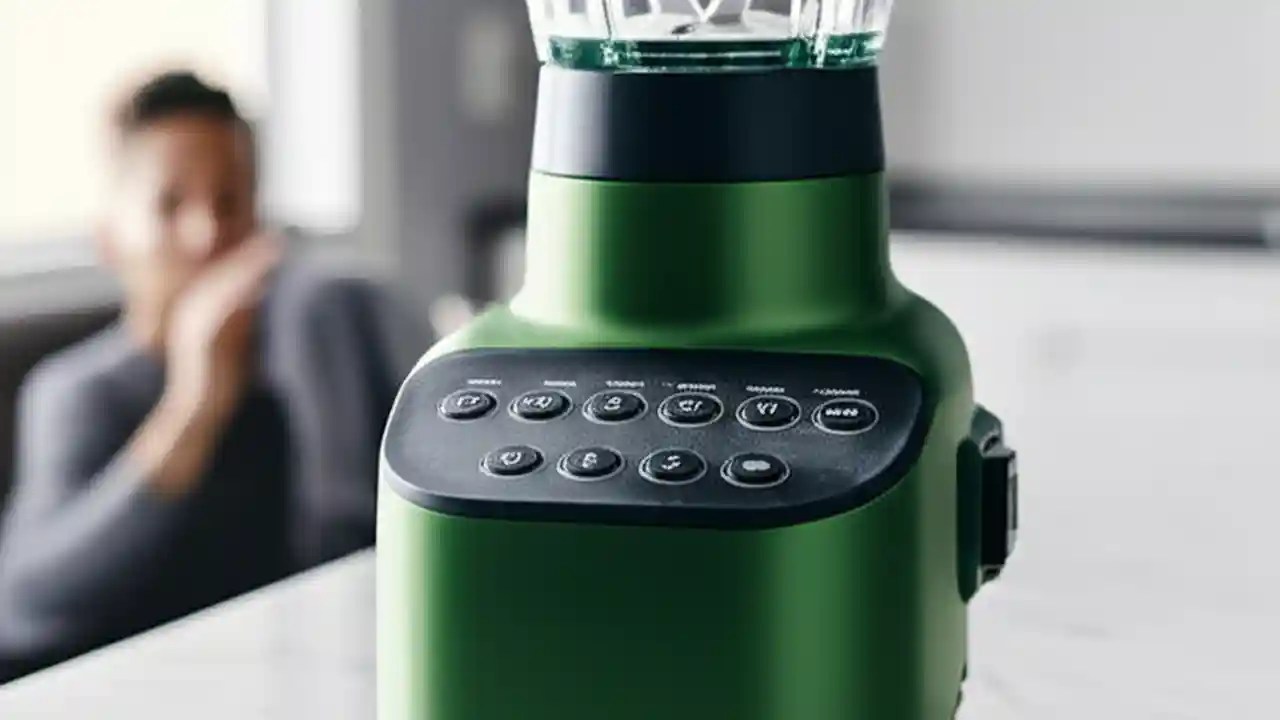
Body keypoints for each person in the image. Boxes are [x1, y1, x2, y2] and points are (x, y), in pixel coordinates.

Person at [0, 72, 411, 680]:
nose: (208, 233)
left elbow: (350, 549)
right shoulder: (78, 391)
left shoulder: (311, 342)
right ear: (111, 239)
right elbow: (24, 606)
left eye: (230, 201)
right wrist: (195, 407)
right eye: (170, 205)